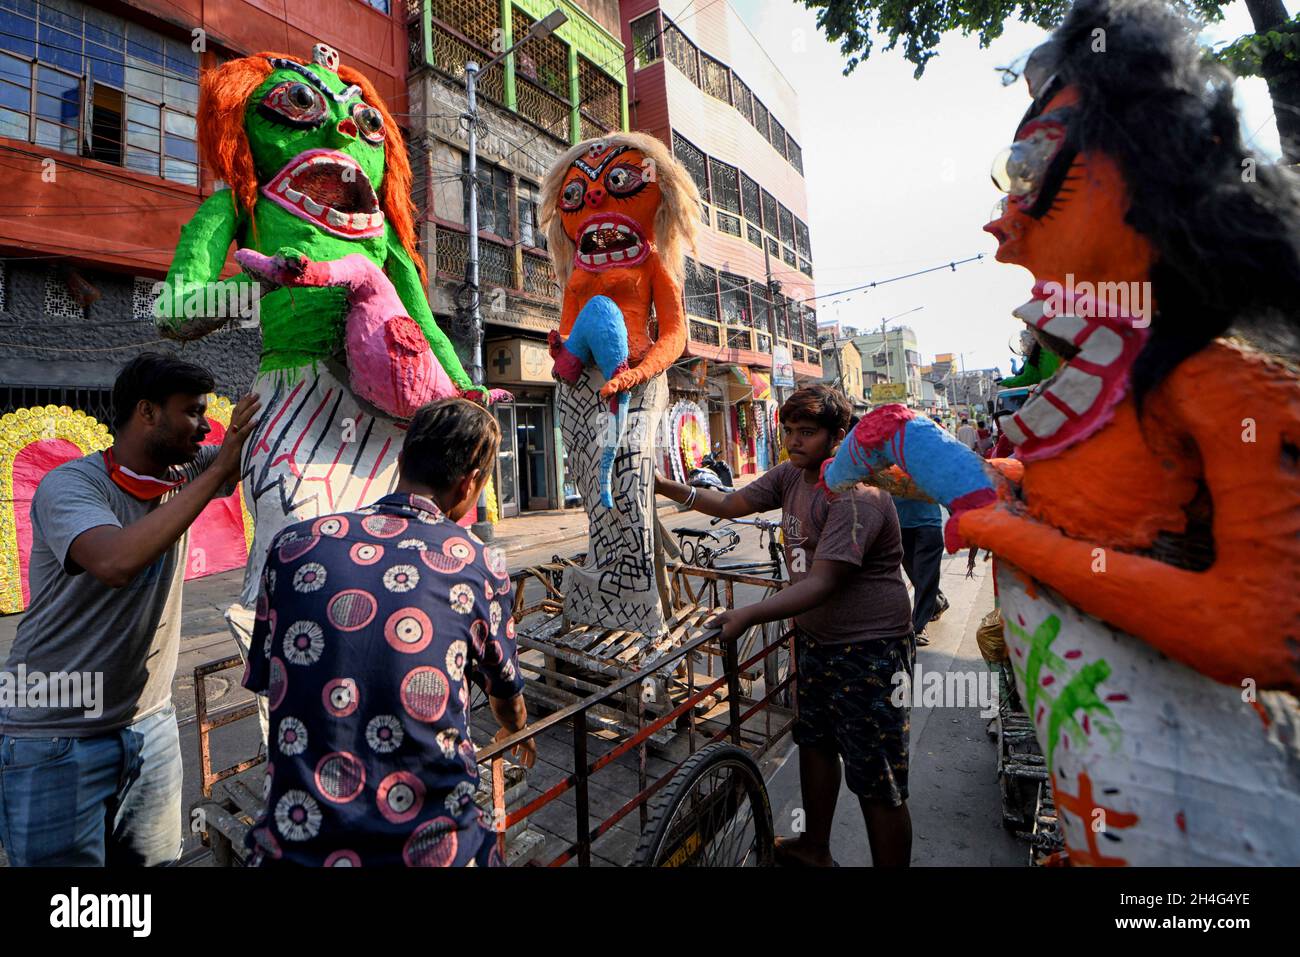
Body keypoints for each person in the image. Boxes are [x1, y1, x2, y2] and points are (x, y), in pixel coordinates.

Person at [242, 398, 534, 867]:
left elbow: (266, 676)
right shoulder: (477, 563)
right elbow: (505, 689)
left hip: (294, 845)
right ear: (469, 485)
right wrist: (516, 725)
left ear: (400, 463)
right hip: (433, 847)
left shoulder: (293, 546)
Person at [0, 353, 259, 866]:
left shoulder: (183, 472)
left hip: (150, 724)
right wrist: (213, 475)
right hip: (54, 735)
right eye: (192, 412)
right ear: (147, 412)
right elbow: (116, 561)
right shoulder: (72, 485)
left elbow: (262, 437)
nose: (205, 426)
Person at [655, 384, 914, 867]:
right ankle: (814, 848)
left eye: (807, 433)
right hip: (818, 641)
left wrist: (749, 612)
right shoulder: (792, 475)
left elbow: (821, 583)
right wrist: (664, 486)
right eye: (790, 431)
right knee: (814, 743)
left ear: (839, 436)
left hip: (870, 651)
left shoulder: (857, 493)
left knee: (878, 780)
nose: (795, 442)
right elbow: (732, 504)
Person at [893, 496, 945, 645]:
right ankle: (936, 601)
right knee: (916, 572)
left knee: (924, 572)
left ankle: (919, 626)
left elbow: (947, 485)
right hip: (899, 521)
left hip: (929, 522)